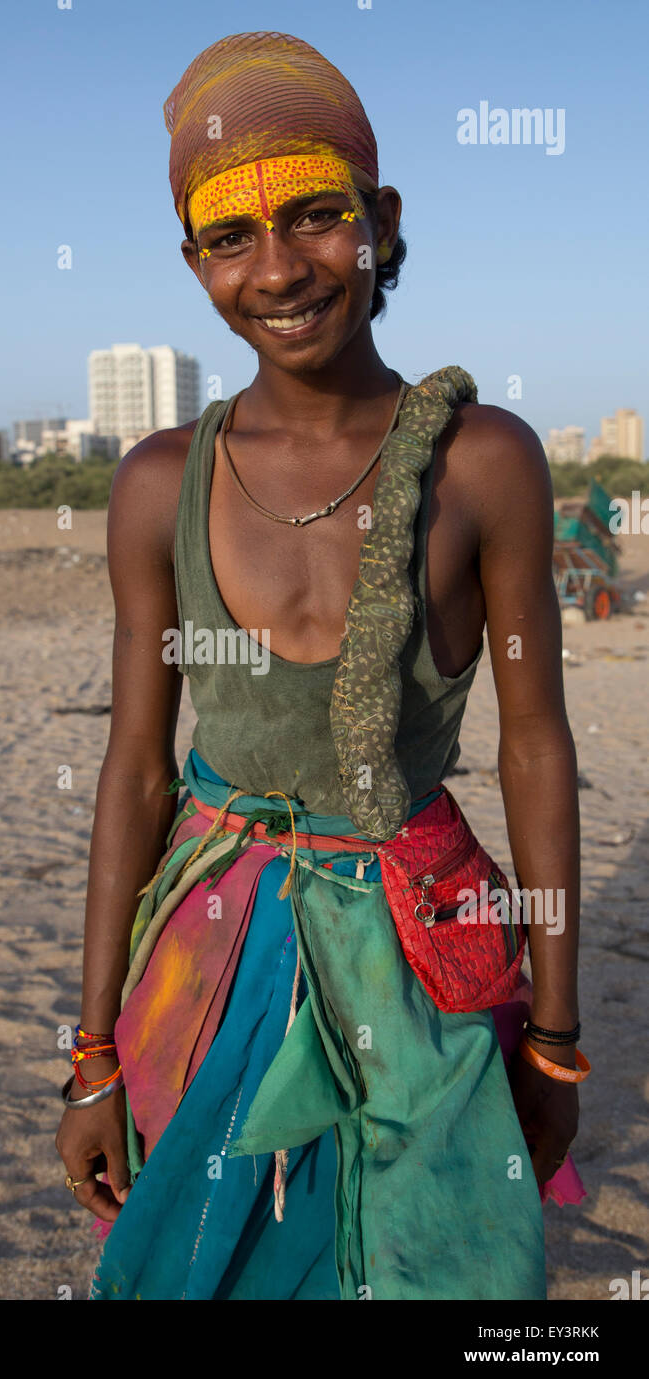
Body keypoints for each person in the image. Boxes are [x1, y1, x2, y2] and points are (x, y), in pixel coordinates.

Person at [55, 31, 586, 1301]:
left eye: (315, 218)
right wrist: (88, 1051)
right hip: (205, 949)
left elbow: (533, 745)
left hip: (418, 944)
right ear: (192, 265)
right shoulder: (158, 484)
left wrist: (557, 1040)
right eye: (229, 240)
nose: (279, 269)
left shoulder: (481, 461)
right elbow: (135, 766)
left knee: (433, 1264)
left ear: (379, 222)